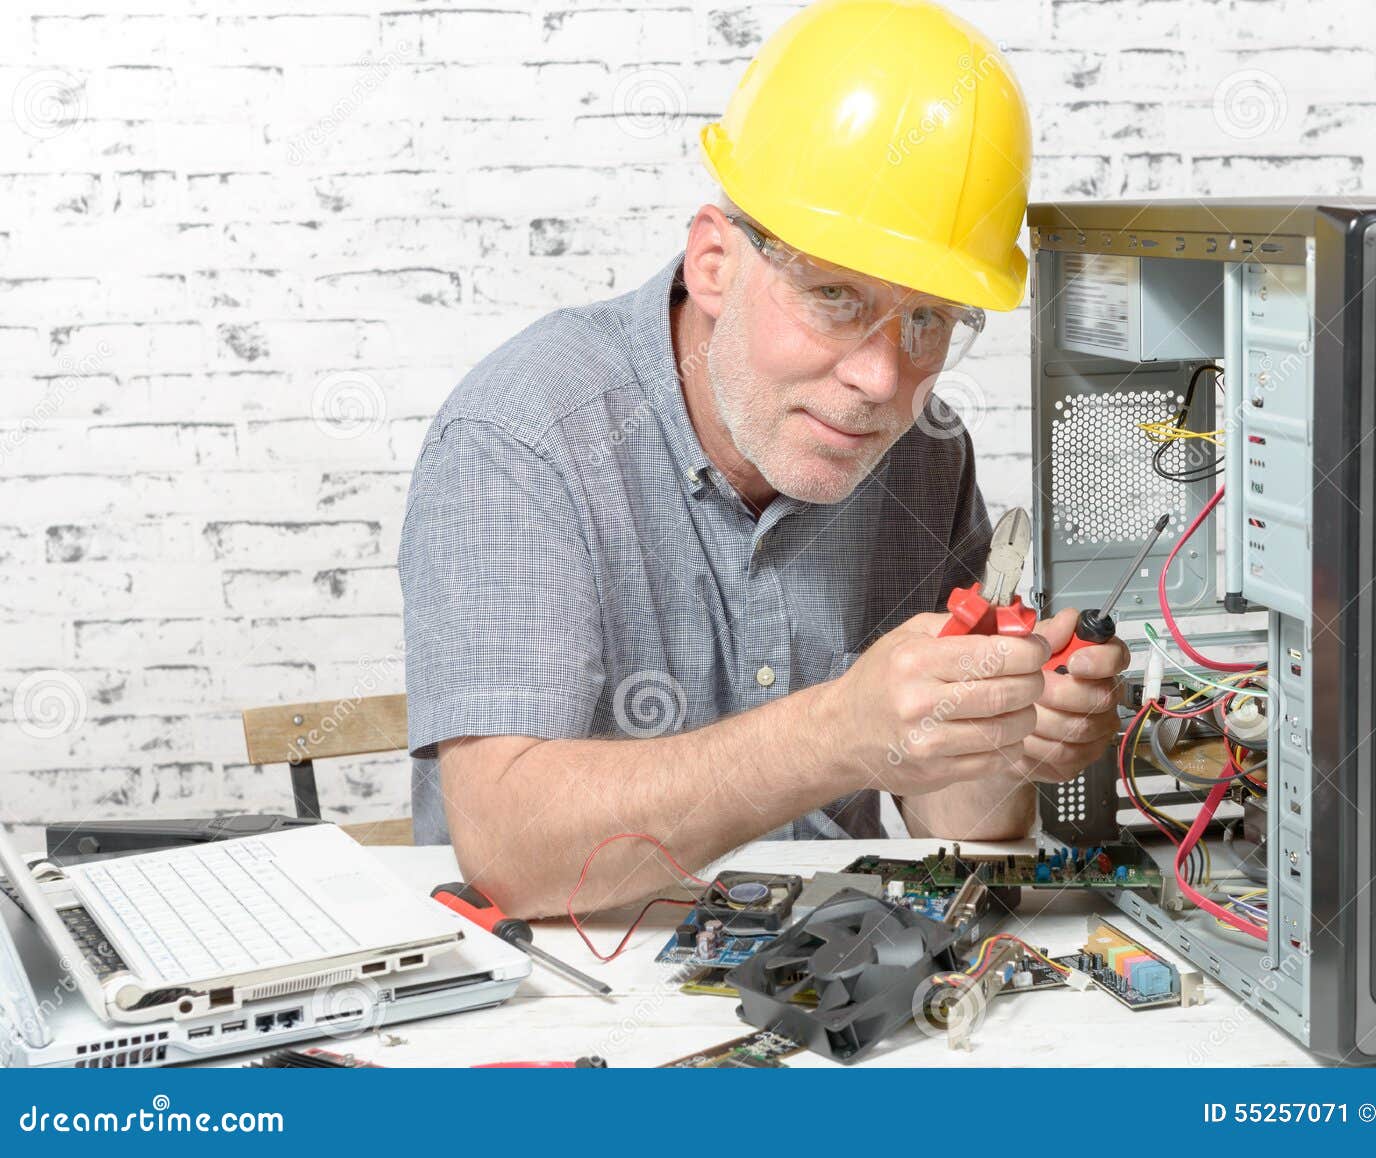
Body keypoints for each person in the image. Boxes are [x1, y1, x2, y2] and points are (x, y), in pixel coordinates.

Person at [398, 0, 1128, 918]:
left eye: (929, 318)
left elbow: (960, 820)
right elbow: (512, 855)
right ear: (713, 262)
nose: (879, 376)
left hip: (834, 981)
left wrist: (1007, 729)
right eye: (833, 295)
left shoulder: (922, 452)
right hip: (568, 988)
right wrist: (840, 732)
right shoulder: (523, 441)